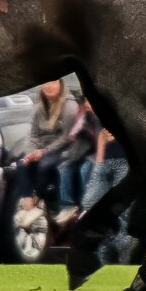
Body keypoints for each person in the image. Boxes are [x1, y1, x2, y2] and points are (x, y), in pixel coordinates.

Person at [17, 80, 79, 220]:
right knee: (21, 164)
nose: (50, 86)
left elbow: (66, 137)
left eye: (54, 82)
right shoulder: (38, 107)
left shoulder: (70, 106)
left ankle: (41, 198)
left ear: (61, 85)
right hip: (40, 148)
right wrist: (30, 152)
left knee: (44, 165)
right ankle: (28, 203)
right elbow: (32, 134)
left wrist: (43, 151)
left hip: (62, 149)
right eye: (46, 82)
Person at [82, 128, 138, 264]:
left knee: (122, 207)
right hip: (105, 161)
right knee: (90, 201)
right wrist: (100, 158)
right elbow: (102, 132)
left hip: (125, 161)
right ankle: (111, 242)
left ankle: (122, 243)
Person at [57, 94, 100, 222]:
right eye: (85, 101)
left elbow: (100, 142)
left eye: (89, 102)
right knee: (65, 168)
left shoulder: (100, 117)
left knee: (85, 170)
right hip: (82, 153)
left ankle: (85, 208)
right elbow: (71, 137)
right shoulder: (82, 116)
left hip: (98, 155)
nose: (87, 105)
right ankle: (67, 207)